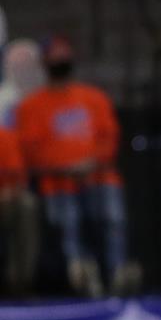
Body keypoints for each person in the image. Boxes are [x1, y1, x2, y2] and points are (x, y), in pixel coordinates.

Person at [13, 42, 129, 297]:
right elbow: (30, 150)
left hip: (98, 175)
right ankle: (83, 277)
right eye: (55, 58)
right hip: (56, 182)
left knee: (111, 219)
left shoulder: (93, 98)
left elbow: (109, 138)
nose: (59, 62)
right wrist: (63, 167)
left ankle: (117, 274)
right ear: (45, 65)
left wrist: (91, 163)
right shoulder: (32, 106)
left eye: (63, 57)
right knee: (67, 225)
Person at [0, 121, 36, 296]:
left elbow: (17, 178)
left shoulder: (4, 136)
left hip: (4, 203)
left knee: (26, 205)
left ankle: (19, 283)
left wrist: (9, 192)